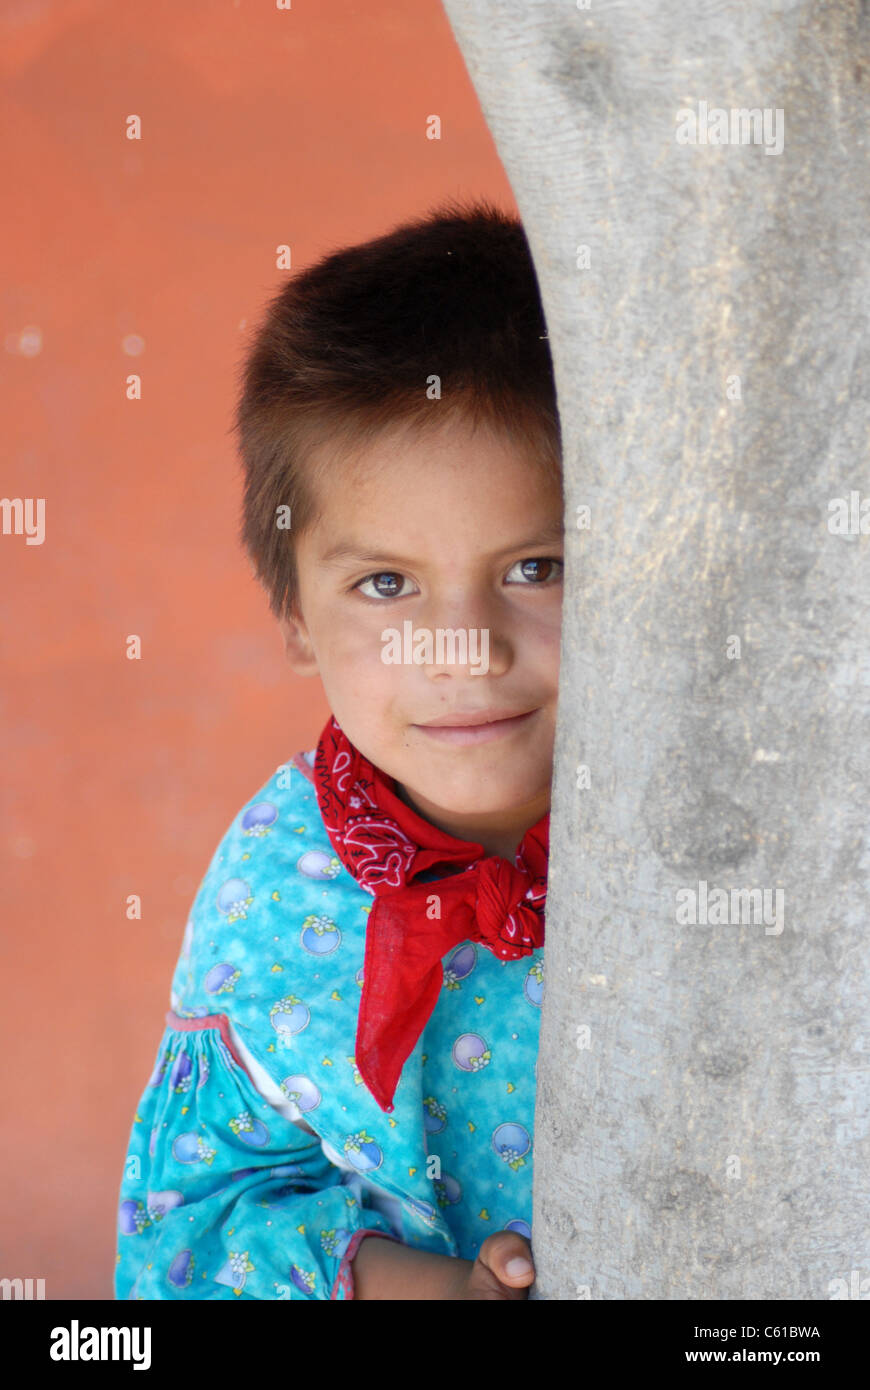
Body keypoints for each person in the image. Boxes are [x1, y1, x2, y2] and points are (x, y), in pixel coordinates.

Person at [114, 199, 564, 1300]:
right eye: (386, 584)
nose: (464, 652)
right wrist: (426, 1289)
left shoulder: (750, 839)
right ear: (299, 617)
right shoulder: (276, 890)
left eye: (540, 568)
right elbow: (196, 1231)